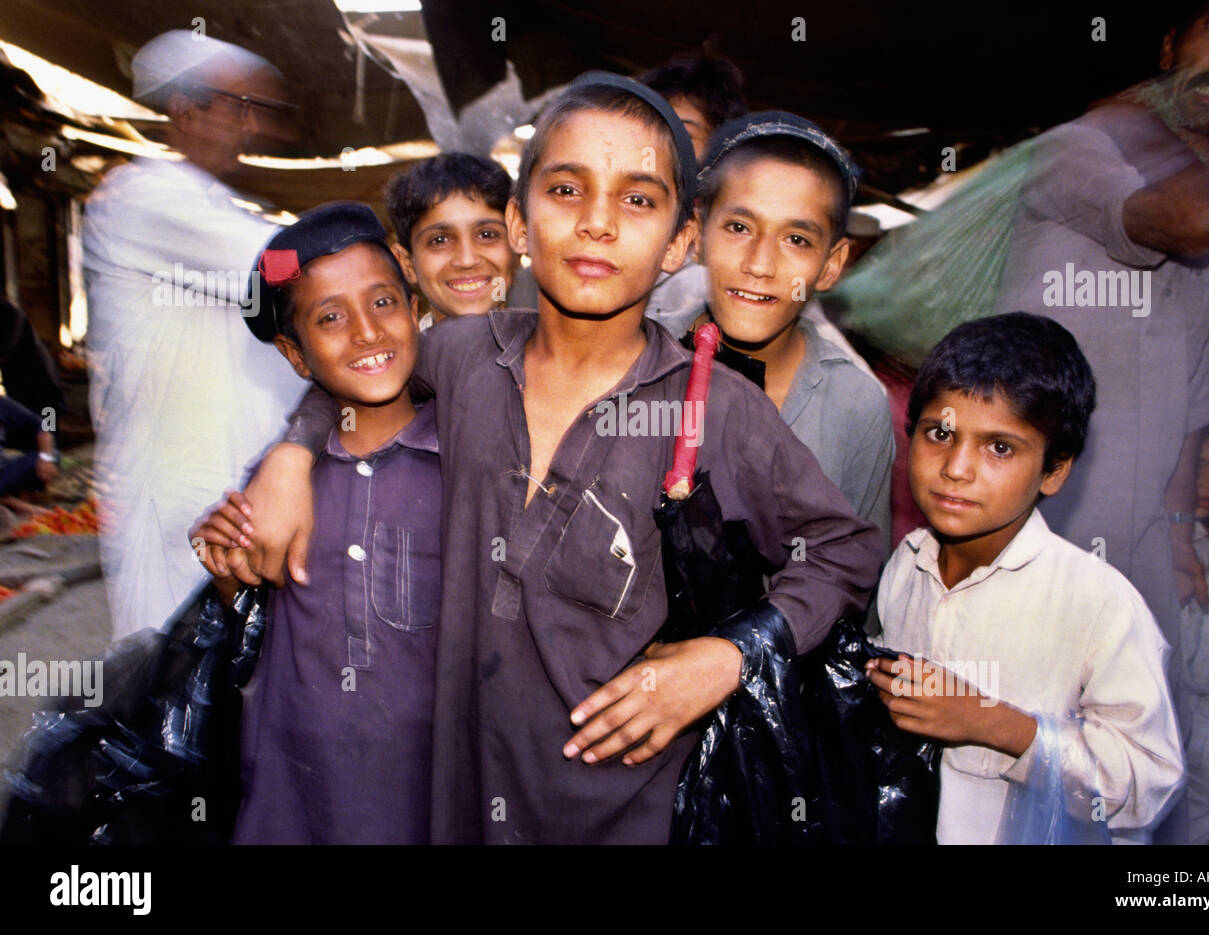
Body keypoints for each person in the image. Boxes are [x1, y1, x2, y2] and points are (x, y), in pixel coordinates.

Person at [194, 72, 879, 844]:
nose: (596, 223)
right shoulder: (459, 356)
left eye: (638, 199)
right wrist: (290, 457)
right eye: (566, 189)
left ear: (681, 241)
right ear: (519, 223)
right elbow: (361, 367)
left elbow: (845, 549)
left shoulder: (713, 406)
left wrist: (726, 657)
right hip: (456, 805)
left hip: (619, 813)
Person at [993, 0, 1209, 664]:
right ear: (1168, 50)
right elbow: (1192, 224)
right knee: (1013, 736)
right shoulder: (1075, 147)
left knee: (1143, 749)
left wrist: (1182, 531)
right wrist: (1136, 117)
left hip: (1143, 543)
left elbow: (1193, 390)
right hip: (1030, 528)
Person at [866, 312, 1184, 844]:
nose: (957, 468)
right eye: (940, 433)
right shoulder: (906, 564)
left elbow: (1147, 783)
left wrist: (995, 725)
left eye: (999, 447)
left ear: (1055, 470)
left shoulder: (1098, 603)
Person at [207, 202, 439, 843]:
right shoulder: (277, 483)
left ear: (414, 306)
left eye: (383, 302)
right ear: (296, 354)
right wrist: (230, 570)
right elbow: (246, 617)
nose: (366, 333)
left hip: (428, 800)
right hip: (295, 802)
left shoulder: (468, 461)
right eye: (330, 317)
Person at [82, 30, 306, 639]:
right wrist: (361, 258)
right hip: (181, 491)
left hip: (233, 489)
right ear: (185, 110)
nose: (251, 128)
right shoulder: (144, 198)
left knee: (235, 683)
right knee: (173, 682)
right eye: (239, 107)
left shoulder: (217, 204)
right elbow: (279, 266)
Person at [659, 112, 894, 535]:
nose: (760, 264)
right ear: (698, 236)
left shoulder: (854, 405)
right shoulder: (636, 356)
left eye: (796, 240)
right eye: (738, 227)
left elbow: (855, 576)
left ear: (831, 264)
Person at [384, 152, 518, 328]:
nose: (467, 260)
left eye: (487, 235)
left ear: (518, 242)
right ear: (407, 264)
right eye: (439, 240)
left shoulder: (558, 352)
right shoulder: (402, 355)